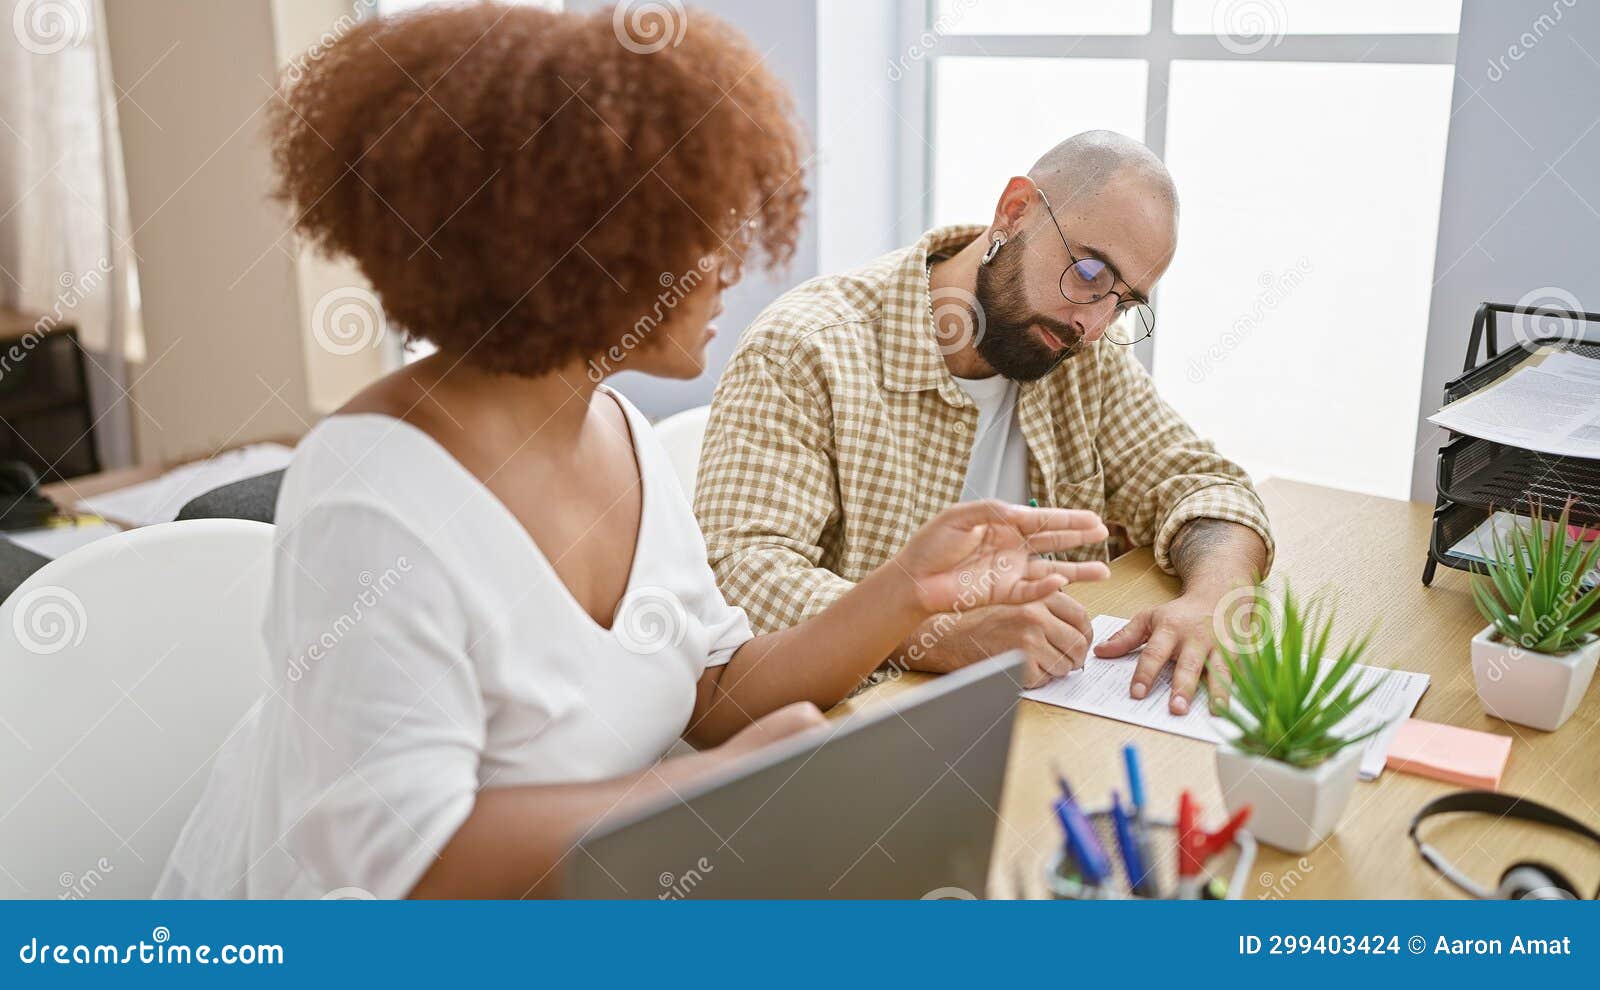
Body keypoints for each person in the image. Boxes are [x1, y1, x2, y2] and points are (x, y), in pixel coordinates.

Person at [155, 4, 1109, 900]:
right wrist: (715, 789)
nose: (734, 267)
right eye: (697, 237)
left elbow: (714, 691)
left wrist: (903, 592)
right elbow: (405, 856)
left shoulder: (619, 432)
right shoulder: (373, 494)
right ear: (576, 254)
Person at [695, 131, 1273, 713]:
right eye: (1091, 273)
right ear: (1014, 211)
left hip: (1044, 713)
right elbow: (739, 576)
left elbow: (1201, 483)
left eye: (1123, 303)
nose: (1094, 324)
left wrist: (1216, 596)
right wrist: (936, 632)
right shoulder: (805, 349)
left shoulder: (1083, 352)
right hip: (862, 733)